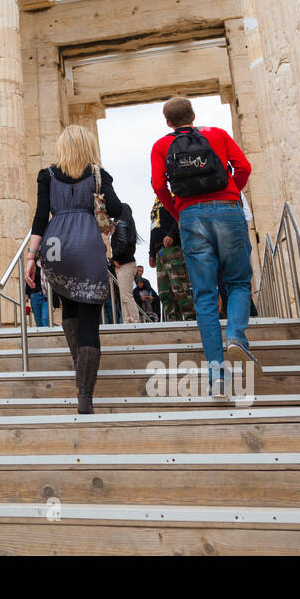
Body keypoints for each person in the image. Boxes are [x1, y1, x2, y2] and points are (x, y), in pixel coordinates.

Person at [151, 96, 254, 398]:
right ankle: (235, 333)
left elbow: (158, 185)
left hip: (190, 215)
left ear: (168, 122)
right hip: (227, 208)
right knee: (238, 282)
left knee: (204, 294)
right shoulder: (218, 134)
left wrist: (177, 209)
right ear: (193, 115)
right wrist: (232, 191)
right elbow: (243, 167)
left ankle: (217, 379)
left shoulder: (161, 145)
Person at [25, 125, 124, 414]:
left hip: (56, 246)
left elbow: (40, 217)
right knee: (89, 320)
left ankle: (79, 366)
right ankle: (85, 397)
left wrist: (31, 257)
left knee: (68, 308)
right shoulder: (97, 175)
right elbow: (116, 209)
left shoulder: (47, 175)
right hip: (86, 244)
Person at [108, 202, 141, 323]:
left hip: (124, 264)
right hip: (128, 263)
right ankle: (128, 321)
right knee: (125, 297)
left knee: (126, 297)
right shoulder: (128, 226)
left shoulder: (121, 224)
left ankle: (134, 321)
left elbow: (122, 242)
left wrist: (115, 258)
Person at [155, 234, 196, 322]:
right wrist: (151, 252)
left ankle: (191, 318)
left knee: (179, 289)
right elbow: (155, 228)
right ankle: (174, 320)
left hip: (174, 249)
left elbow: (177, 220)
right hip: (159, 251)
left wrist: (171, 234)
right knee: (164, 293)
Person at [26, 260, 50, 329]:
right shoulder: (32, 265)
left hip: (46, 296)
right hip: (35, 296)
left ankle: (47, 338)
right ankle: (42, 339)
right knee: (38, 322)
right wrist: (26, 294)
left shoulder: (48, 264)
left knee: (45, 319)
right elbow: (28, 279)